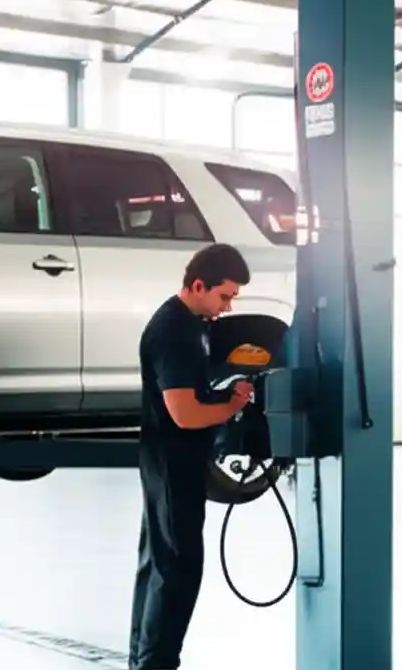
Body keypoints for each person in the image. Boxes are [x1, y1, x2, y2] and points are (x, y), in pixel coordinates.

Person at [127, 243, 254, 670]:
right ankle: (156, 663)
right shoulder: (175, 332)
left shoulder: (192, 323)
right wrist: (232, 408)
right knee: (177, 570)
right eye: (224, 296)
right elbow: (184, 414)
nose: (227, 305)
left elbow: (190, 395)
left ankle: (144, 661)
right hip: (171, 464)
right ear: (198, 285)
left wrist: (221, 394)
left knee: (160, 566)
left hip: (171, 463)